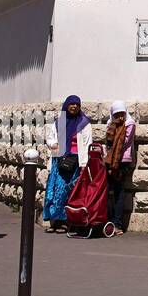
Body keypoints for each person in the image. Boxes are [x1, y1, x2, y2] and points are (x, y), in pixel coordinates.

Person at [43, 95, 92, 233]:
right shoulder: (59, 122)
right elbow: (51, 138)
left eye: (77, 104)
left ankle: (65, 222)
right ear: (66, 105)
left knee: (68, 191)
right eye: (72, 104)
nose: (74, 107)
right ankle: (54, 221)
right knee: (55, 191)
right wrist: (54, 145)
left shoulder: (84, 123)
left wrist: (85, 165)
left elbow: (88, 144)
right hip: (59, 160)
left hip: (76, 162)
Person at [103, 101, 136, 235]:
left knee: (118, 191)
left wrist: (117, 124)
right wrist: (114, 124)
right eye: (116, 114)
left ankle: (117, 223)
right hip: (110, 161)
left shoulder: (130, 124)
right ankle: (107, 221)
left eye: (122, 113)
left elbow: (124, 142)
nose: (120, 116)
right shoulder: (110, 124)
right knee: (107, 191)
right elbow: (108, 141)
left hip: (122, 161)